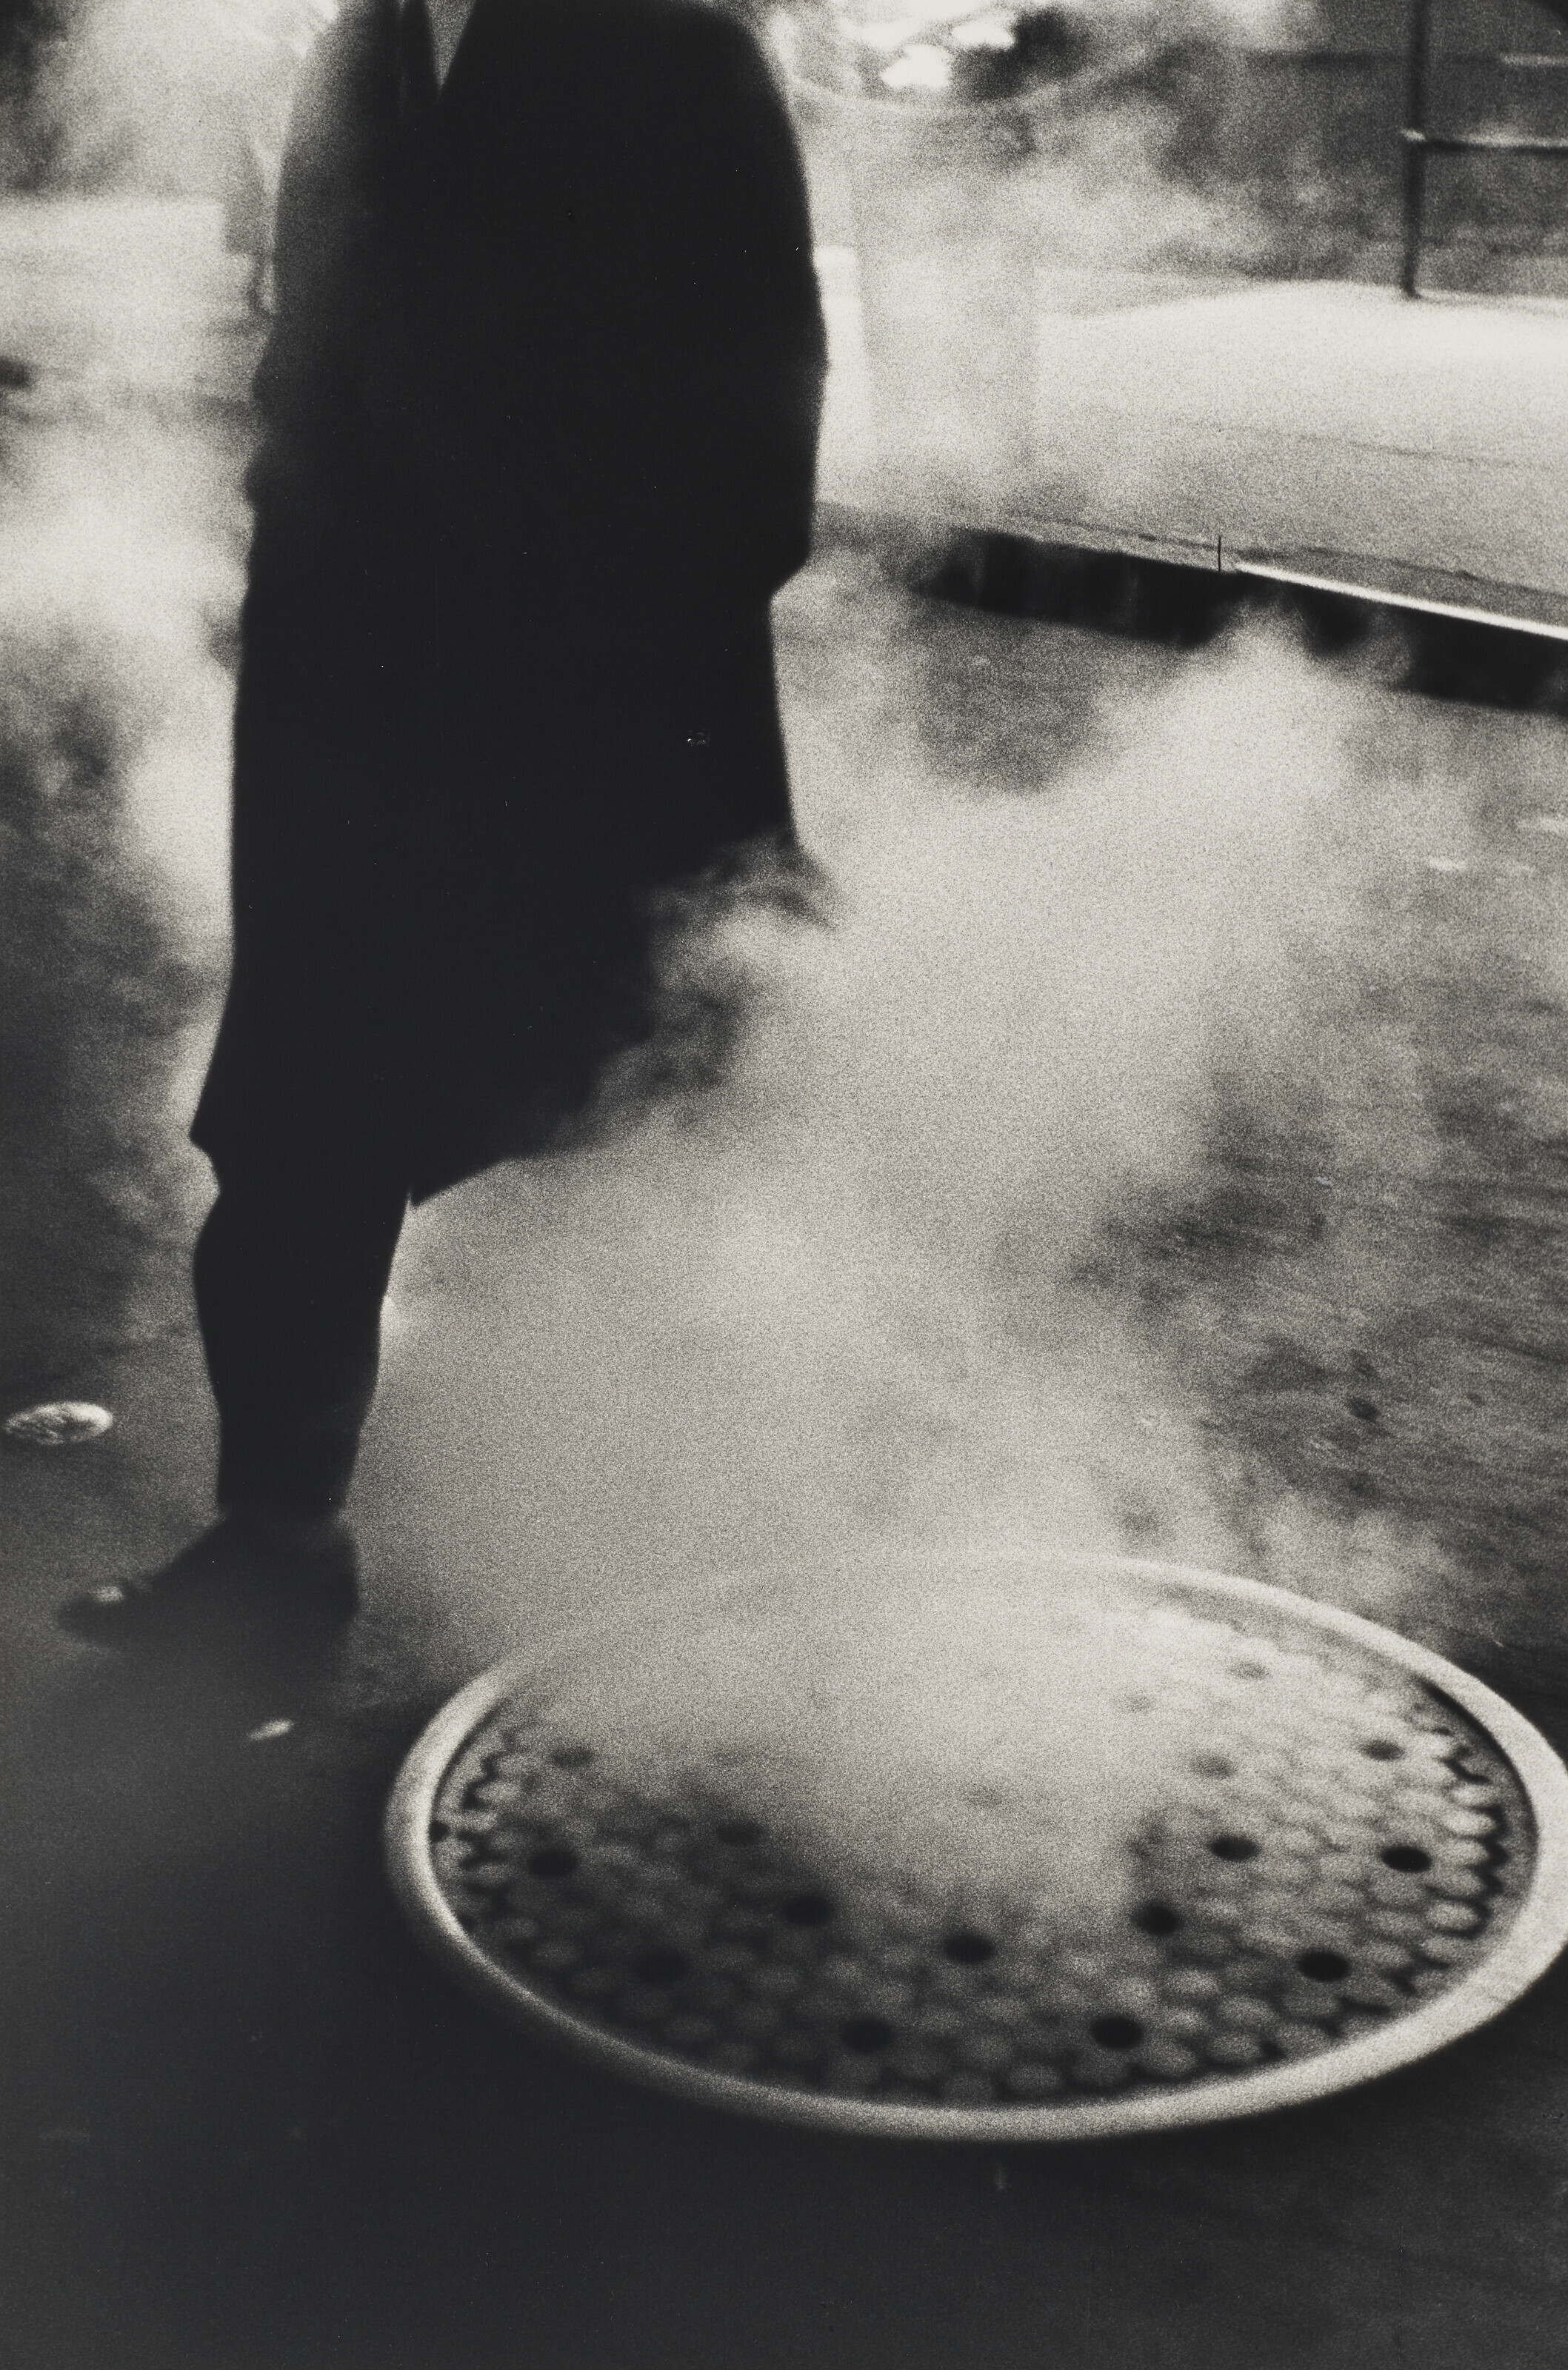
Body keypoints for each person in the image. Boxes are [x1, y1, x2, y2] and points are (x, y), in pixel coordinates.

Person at [63, 0, 827, 1641]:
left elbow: (765, 421)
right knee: (296, 1129)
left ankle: (729, 1537)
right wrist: (281, 557)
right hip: (350, 702)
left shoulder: (676, 41)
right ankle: (277, 1540)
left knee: (635, 1099)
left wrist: (599, 648)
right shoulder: (358, 39)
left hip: (578, 704)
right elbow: (308, 343)